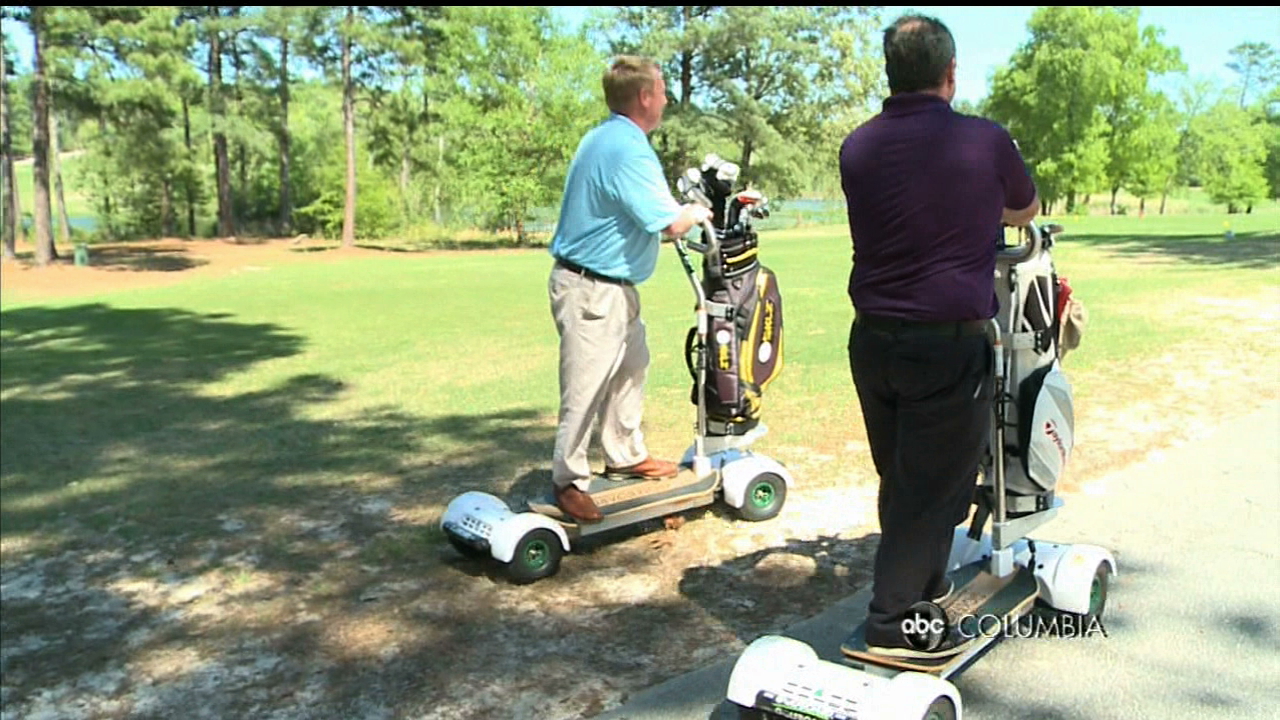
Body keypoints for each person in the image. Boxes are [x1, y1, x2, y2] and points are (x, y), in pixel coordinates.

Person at [839, 14, 1039, 657]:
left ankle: (922, 587)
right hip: (946, 343)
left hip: (872, 341)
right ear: (950, 74)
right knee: (932, 489)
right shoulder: (984, 141)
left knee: (903, 479)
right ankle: (894, 622)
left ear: (890, 74)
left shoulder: (858, 146)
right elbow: (1024, 207)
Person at [546, 55, 713, 524]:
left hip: (609, 285)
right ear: (644, 97)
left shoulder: (606, 138)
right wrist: (696, 212)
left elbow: (642, 222)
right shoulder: (627, 147)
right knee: (587, 383)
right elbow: (671, 222)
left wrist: (675, 219)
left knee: (631, 365)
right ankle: (568, 481)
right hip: (591, 289)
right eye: (661, 90)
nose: (664, 98)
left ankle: (623, 454)